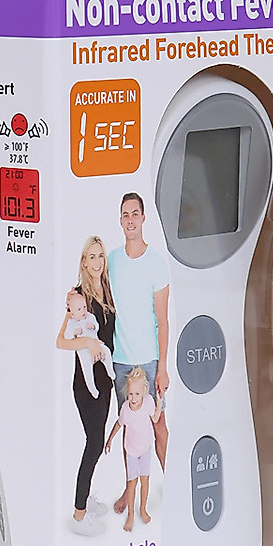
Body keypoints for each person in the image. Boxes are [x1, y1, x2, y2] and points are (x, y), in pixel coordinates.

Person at [107, 193, 170, 515]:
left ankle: (173, 484)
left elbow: (163, 320)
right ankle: (128, 492)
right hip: (121, 359)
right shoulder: (112, 260)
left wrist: (163, 367)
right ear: (120, 221)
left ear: (143, 218)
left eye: (135, 213)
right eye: (125, 214)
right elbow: (94, 291)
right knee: (131, 427)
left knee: (158, 426)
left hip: (149, 360)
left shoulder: (156, 264)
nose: (130, 219)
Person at [56, 236, 117, 536]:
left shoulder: (108, 290)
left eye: (100, 256)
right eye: (91, 257)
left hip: (105, 381)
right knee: (94, 443)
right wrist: (88, 342)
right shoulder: (77, 296)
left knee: (96, 440)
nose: (97, 262)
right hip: (85, 384)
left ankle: (86, 497)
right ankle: (79, 514)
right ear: (83, 262)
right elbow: (61, 341)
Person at [104, 368, 163, 532]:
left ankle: (142, 509)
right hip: (131, 450)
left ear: (144, 391)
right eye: (130, 394)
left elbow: (155, 418)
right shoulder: (126, 409)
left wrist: (159, 401)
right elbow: (118, 424)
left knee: (145, 480)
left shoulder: (148, 402)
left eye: (137, 394)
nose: (133, 398)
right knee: (132, 483)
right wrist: (109, 440)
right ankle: (130, 515)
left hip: (145, 448)